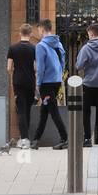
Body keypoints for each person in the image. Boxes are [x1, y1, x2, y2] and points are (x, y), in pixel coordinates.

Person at [30, 19, 68, 151]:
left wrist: (38, 84)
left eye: (38, 29)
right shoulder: (58, 43)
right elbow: (63, 59)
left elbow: (40, 67)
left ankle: (65, 138)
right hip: (56, 81)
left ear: (42, 29)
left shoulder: (41, 46)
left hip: (46, 83)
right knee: (44, 110)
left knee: (53, 110)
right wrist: (59, 73)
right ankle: (35, 140)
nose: (38, 32)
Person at [7, 24, 37, 148]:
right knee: (28, 109)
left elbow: (9, 67)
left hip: (18, 82)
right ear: (30, 34)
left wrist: (14, 73)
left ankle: (24, 139)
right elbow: (36, 67)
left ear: (20, 33)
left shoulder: (12, 48)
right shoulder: (34, 48)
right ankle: (26, 138)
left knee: (21, 110)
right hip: (30, 81)